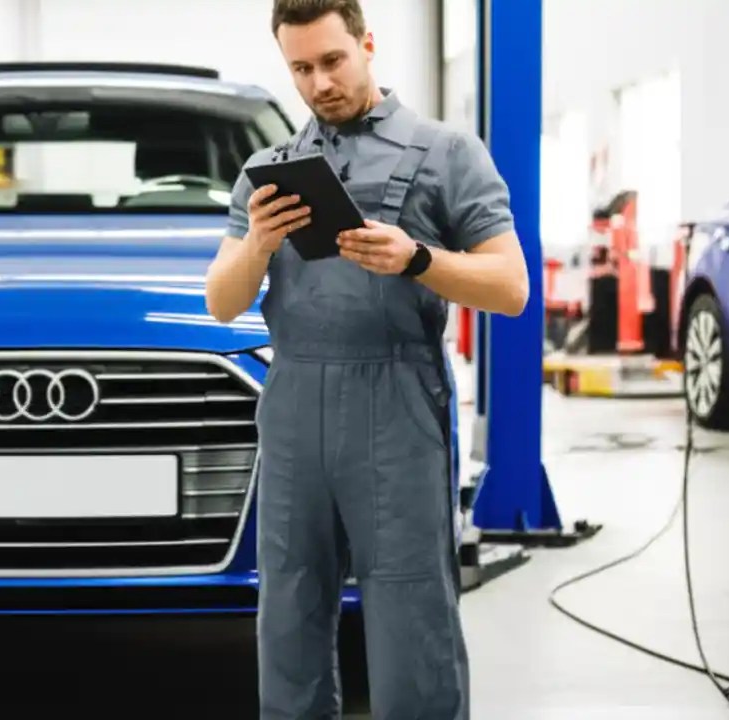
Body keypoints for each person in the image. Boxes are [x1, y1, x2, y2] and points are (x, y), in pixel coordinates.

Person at [204, 1, 529, 718]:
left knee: (411, 613)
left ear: (367, 44)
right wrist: (257, 243)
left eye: (332, 61)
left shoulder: (448, 153)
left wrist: (418, 258)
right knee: (287, 612)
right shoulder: (268, 172)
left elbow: (510, 288)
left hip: (396, 403)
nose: (319, 83)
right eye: (300, 69)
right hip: (293, 406)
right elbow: (222, 302)